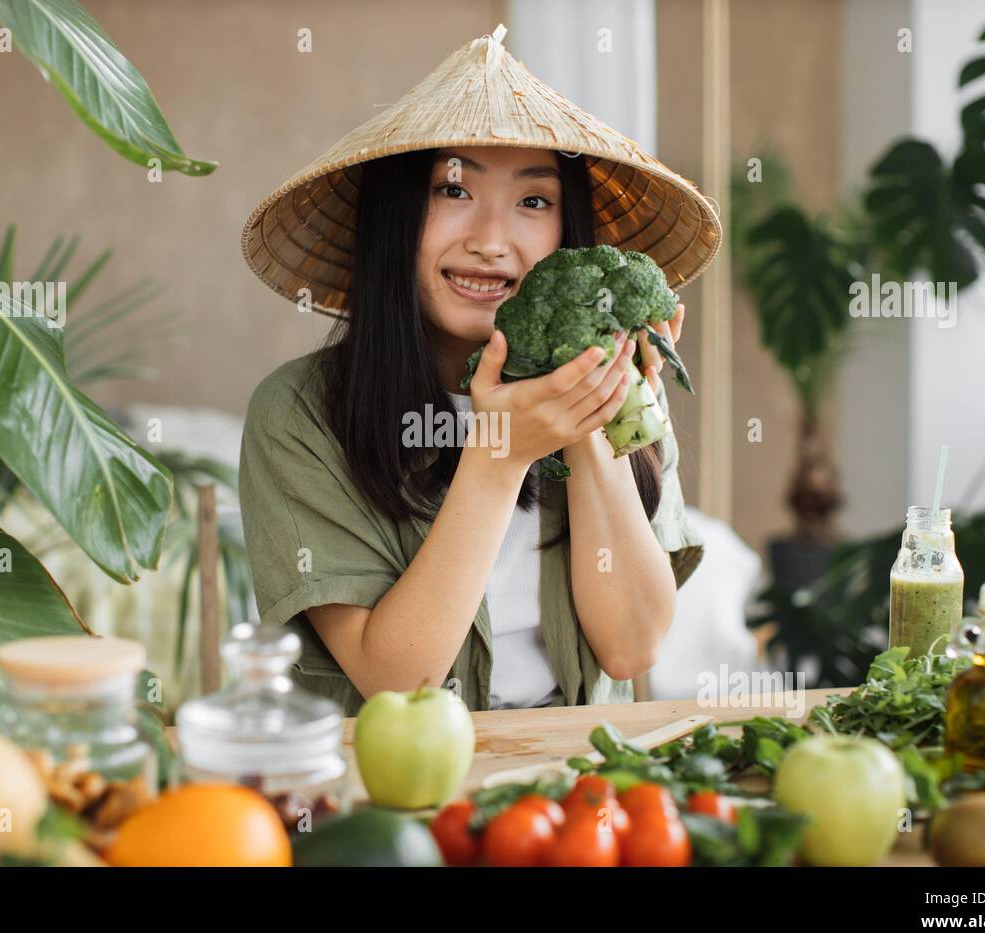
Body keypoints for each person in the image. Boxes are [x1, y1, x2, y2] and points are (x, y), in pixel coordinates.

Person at [238, 26, 721, 716]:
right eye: (453, 190)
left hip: (571, 791)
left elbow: (631, 648)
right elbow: (396, 684)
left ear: (567, 233)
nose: (491, 242)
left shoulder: (625, 390)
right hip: (384, 795)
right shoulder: (299, 413)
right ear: (394, 218)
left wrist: (597, 413)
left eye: (534, 201)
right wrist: (500, 455)